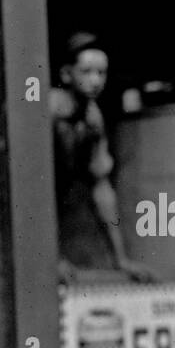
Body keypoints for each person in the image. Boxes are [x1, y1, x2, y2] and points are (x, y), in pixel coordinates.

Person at [50, 32, 155, 283]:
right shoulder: (48, 109)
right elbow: (30, 187)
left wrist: (121, 259)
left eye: (101, 72)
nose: (95, 80)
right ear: (67, 74)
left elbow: (101, 186)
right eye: (86, 72)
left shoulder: (93, 118)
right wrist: (48, 258)